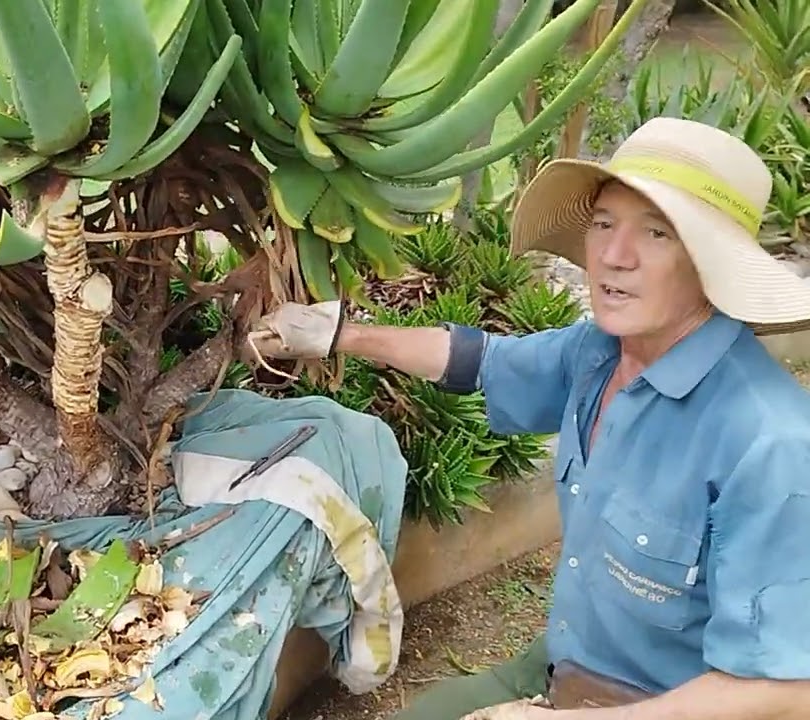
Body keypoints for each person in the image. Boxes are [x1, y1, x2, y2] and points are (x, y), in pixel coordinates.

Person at [247, 117, 810, 719]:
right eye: (604, 224)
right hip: (567, 657)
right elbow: (478, 361)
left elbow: (786, 691)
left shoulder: (770, 445)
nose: (614, 257)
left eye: (658, 233)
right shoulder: (596, 353)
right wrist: (338, 334)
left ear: (711, 264)